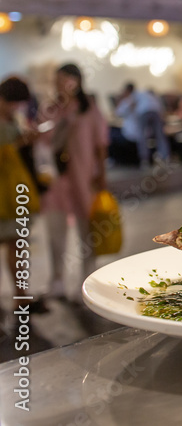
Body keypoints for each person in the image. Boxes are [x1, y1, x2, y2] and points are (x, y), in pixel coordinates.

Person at [39, 64, 109, 300]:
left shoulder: (88, 107)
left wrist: (101, 175)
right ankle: (57, 279)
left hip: (83, 177)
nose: (60, 85)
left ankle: (86, 281)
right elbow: (41, 138)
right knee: (55, 230)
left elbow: (100, 144)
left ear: (76, 81)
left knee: (86, 232)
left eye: (64, 80)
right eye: (57, 81)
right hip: (57, 180)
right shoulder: (52, 108)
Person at [0, 77, 38, 301]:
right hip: (6, 188)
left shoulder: (12, 118)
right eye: (13, 103)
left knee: (17, 242)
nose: (17, 108)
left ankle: (21, 293)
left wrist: (23, 141)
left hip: (14, 187)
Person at [115, 82, 170, 167]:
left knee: (142, 136)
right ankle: (165, 157)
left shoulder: (133, 95)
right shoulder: (146, 94)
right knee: (160, 135)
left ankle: (145, 160)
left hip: (144, 112)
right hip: (156, 111)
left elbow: (122, 111)